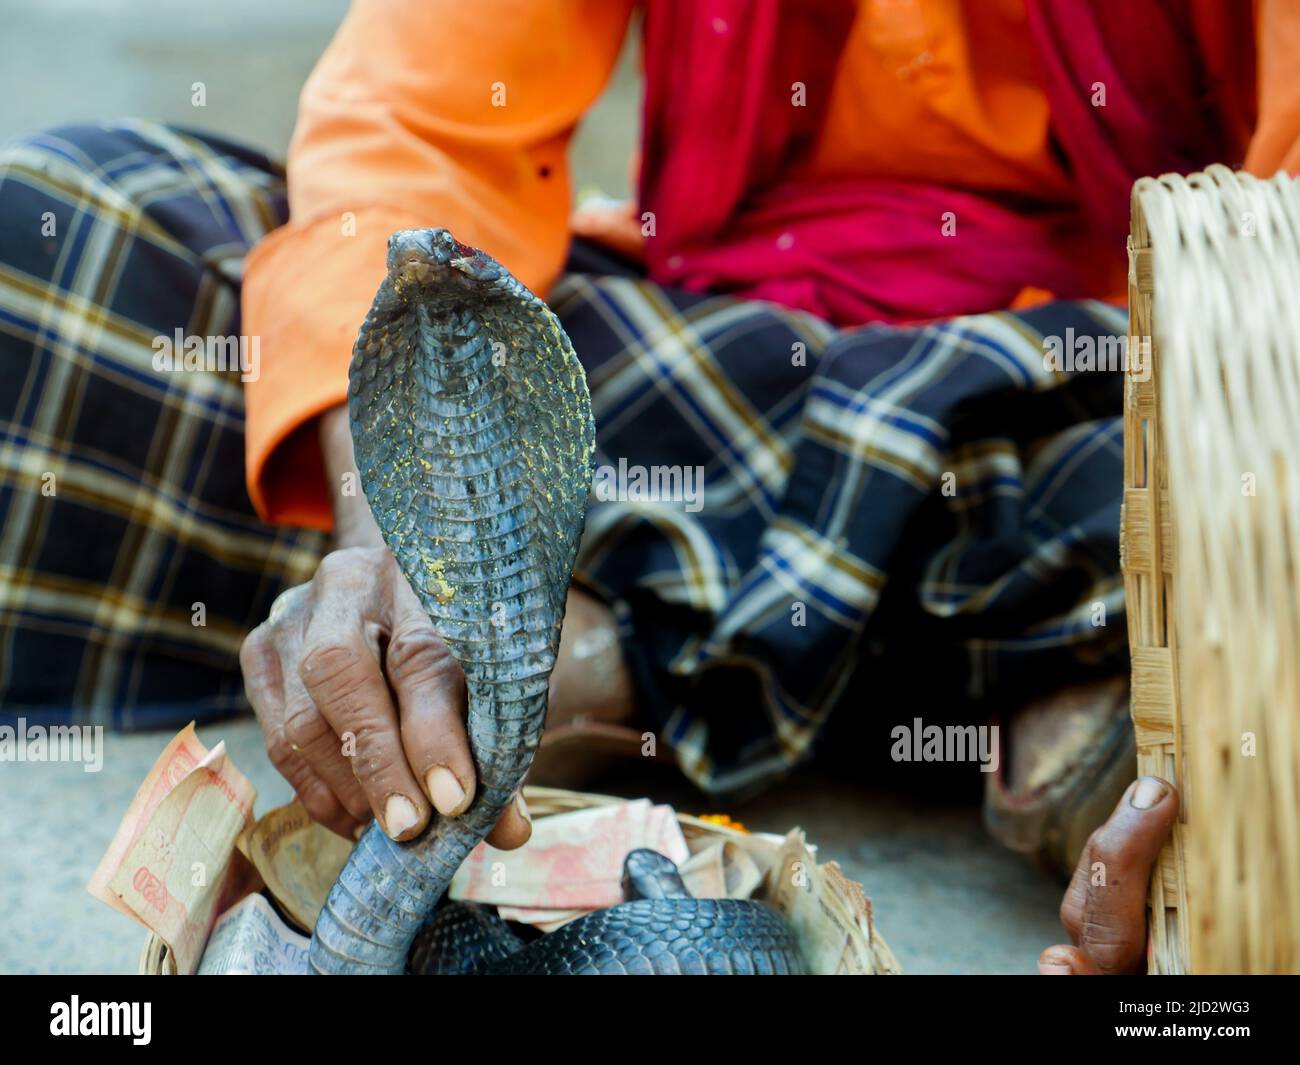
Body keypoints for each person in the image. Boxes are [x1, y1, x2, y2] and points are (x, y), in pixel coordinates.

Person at [1, 1, 1294, 971]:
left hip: (1094, 384)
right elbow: (412, 125)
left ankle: (628, 642)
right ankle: (1020, 672)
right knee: (71, 243)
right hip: (703, 351)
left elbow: (1270, 277)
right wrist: (387, 522)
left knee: (1147, 447)